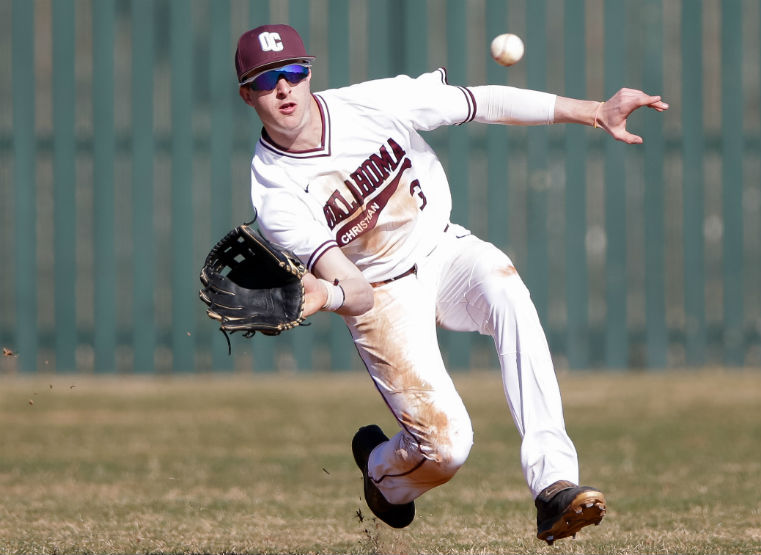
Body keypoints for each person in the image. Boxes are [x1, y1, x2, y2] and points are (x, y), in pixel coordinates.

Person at [234, 24, 668, 544]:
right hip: (380, 293)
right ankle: (382, 474)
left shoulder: (372, 104)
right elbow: (359, 291)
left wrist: (594, 110)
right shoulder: (278, 193)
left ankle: (553, 483)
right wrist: (326, 294)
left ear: (309, 74)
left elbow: (480, 101)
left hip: (441, 247)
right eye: (267, 80)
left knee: (507, 291)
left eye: (293, 71)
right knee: (448, 449)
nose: (284, 88)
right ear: (247, 95)